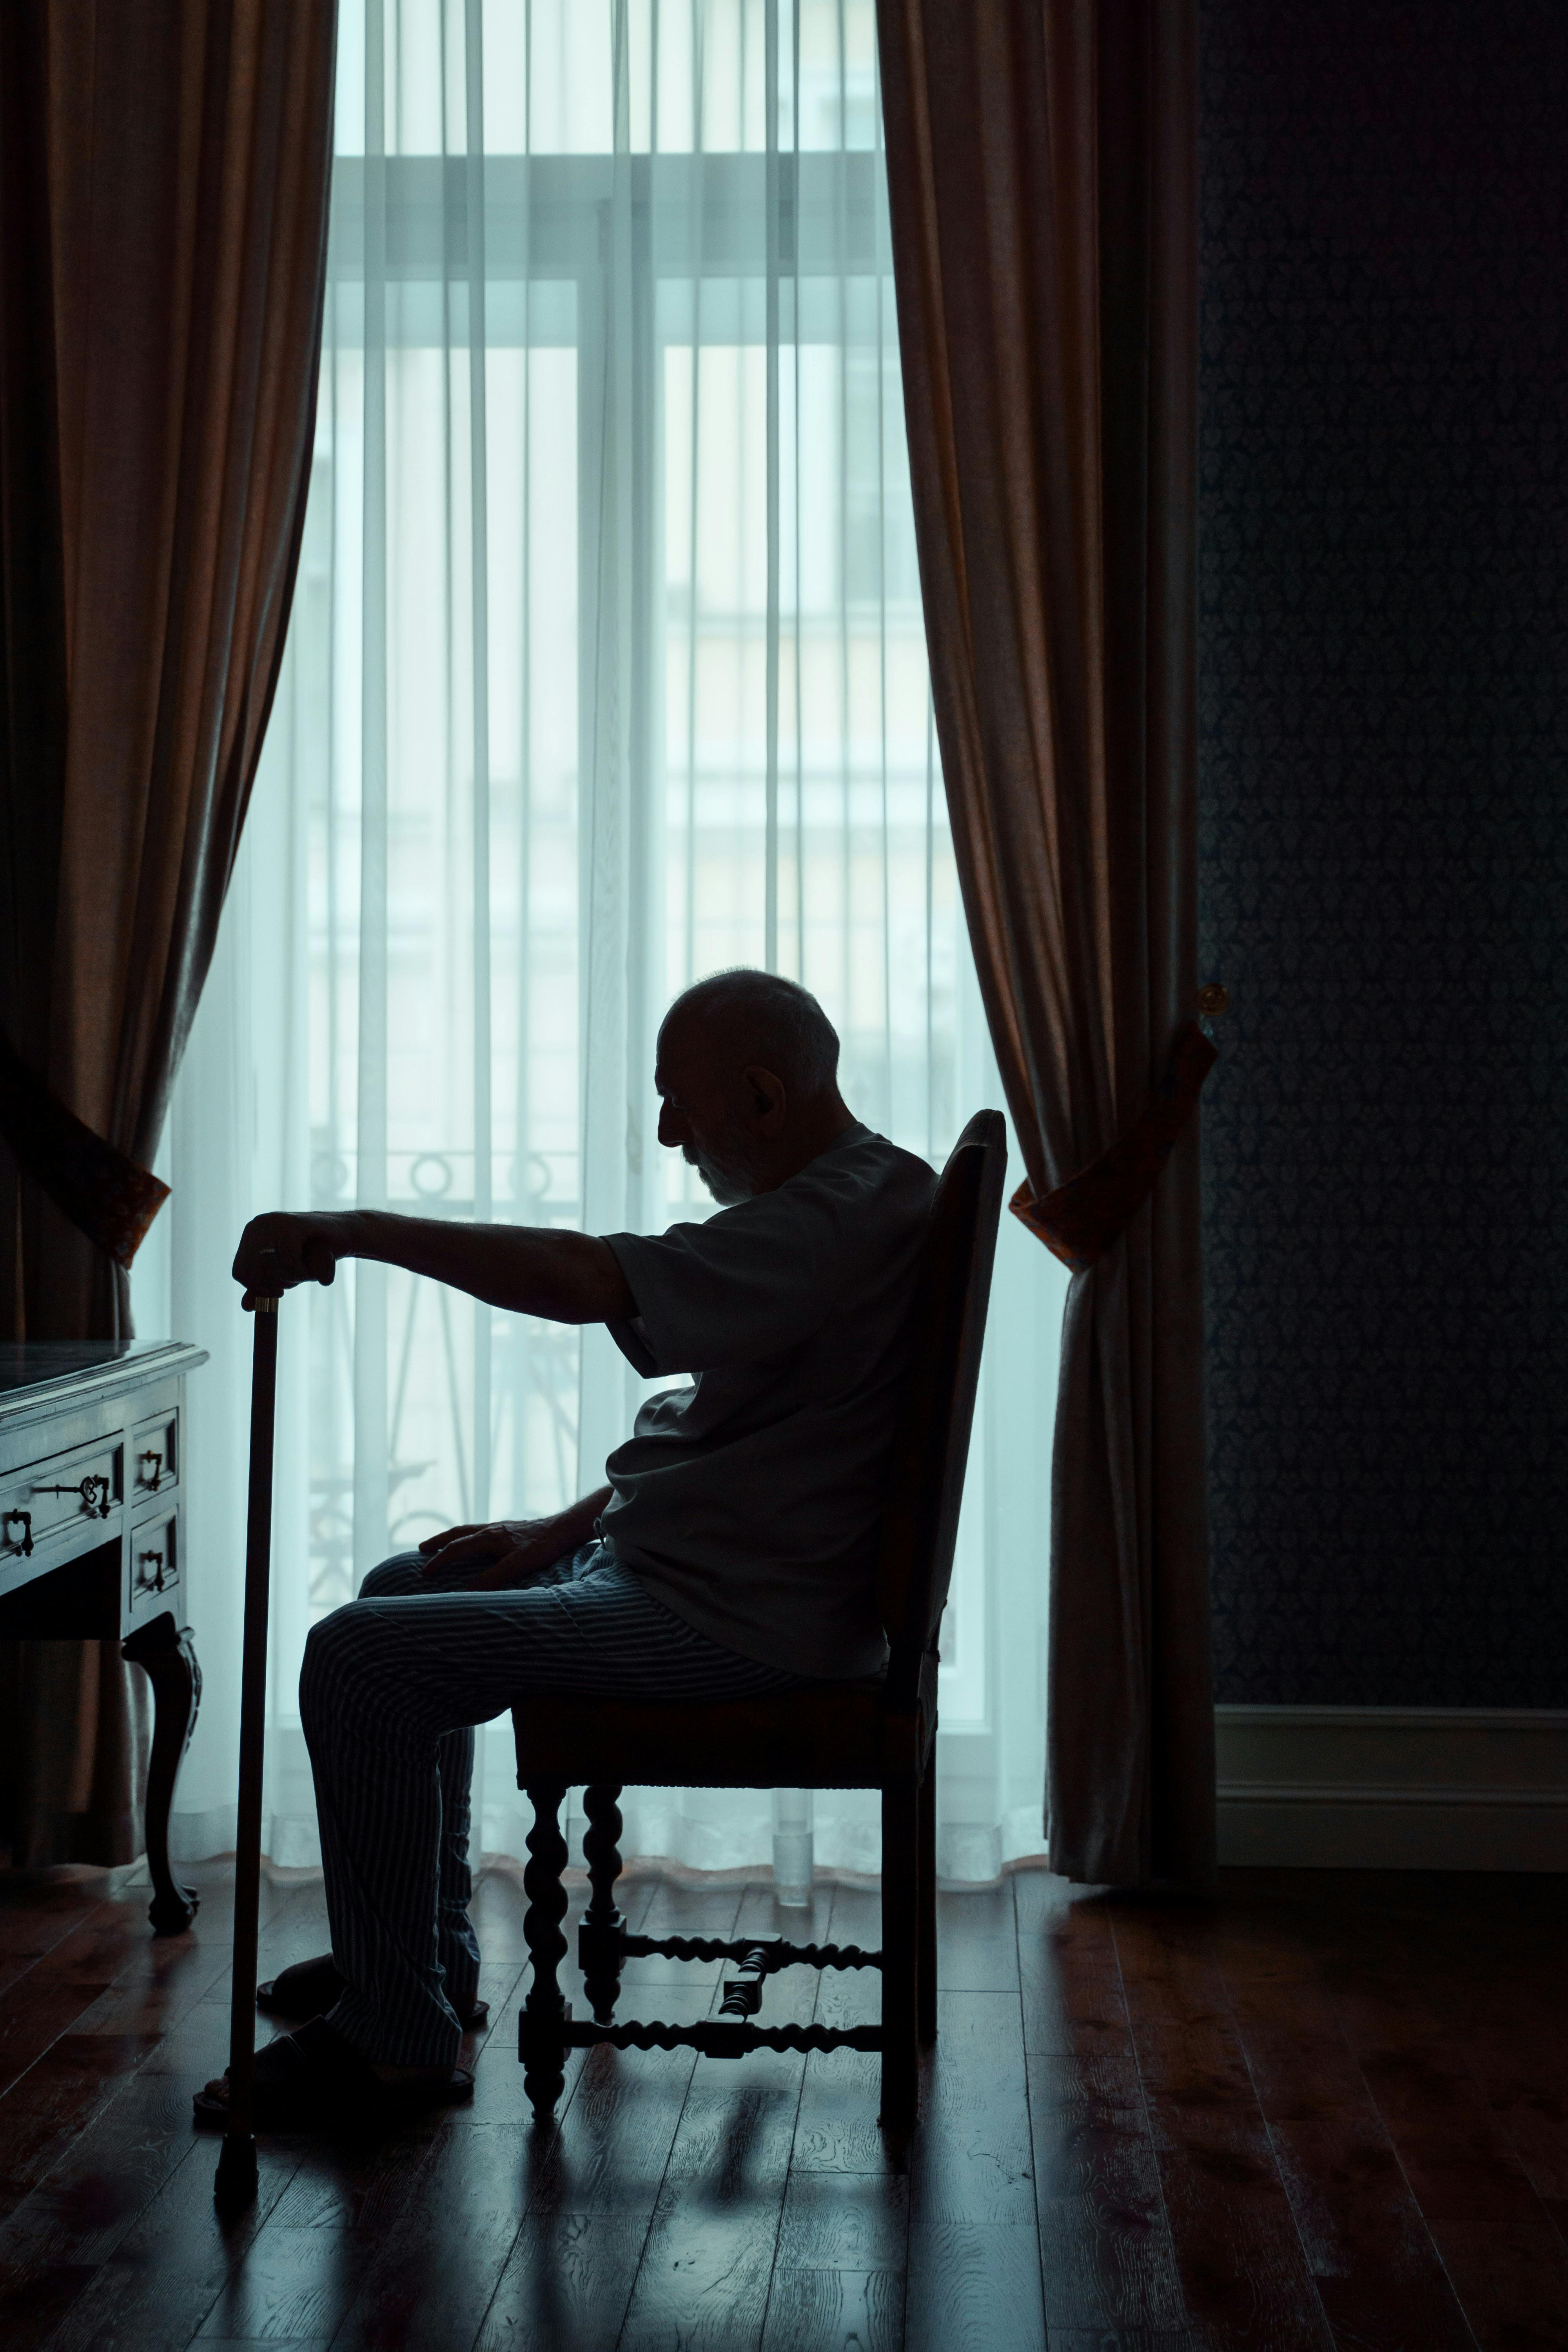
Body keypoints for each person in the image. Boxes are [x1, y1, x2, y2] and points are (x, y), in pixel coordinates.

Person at [196, 968, 937, 2127]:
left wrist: (351, 1229)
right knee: (412, 1584)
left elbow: (593, 1278)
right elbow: (742, 1438)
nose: (665, 1133)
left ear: (761, 1093)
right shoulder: (863, 1194)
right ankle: (419, 1970)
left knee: (360, 1656)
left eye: (678, 1103)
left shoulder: (835, 1218)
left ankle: (394, 2040)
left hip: (734, 1623)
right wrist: (561, 1529)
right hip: (704, 1575)